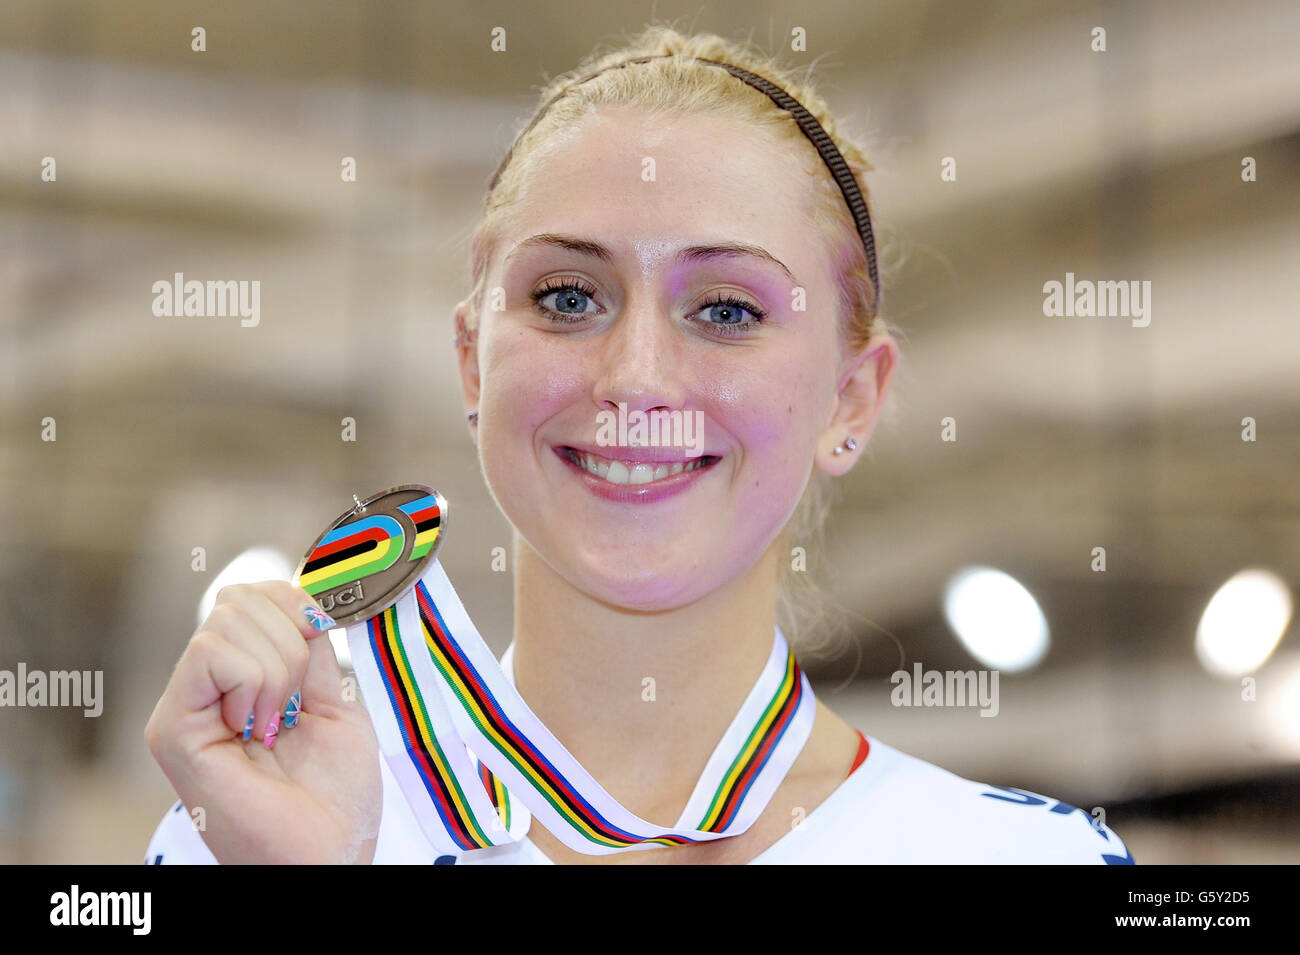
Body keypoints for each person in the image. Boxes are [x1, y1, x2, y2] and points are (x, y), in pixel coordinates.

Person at [144, 24, 1134, 865]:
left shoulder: (1018, 859)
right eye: (567, 298)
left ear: (850, 399)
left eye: (727, 309)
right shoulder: (245, 830)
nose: (635, 379)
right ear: (472, 365)